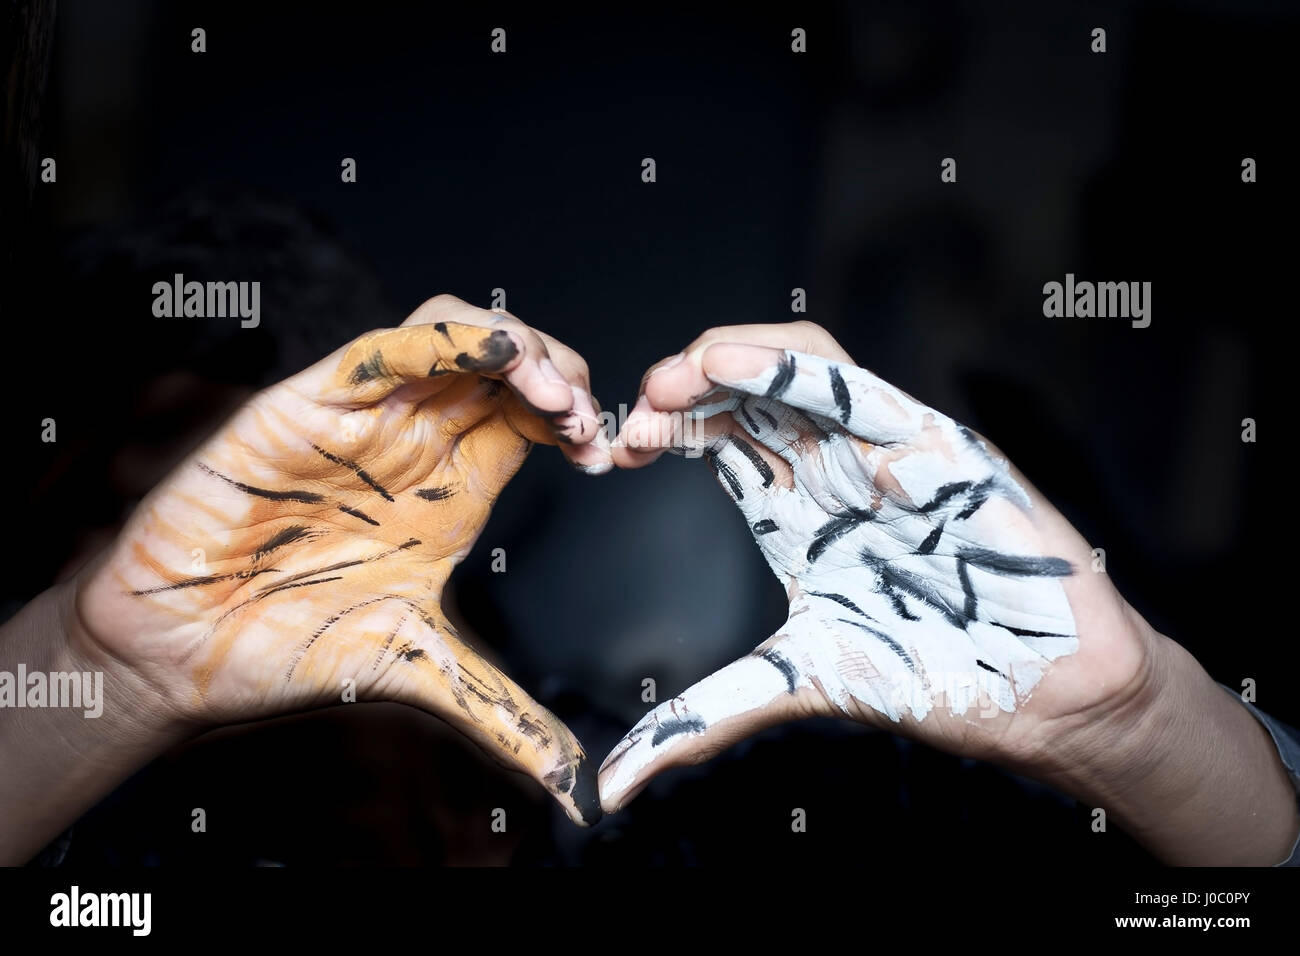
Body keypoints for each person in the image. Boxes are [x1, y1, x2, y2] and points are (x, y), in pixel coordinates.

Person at [1, 301, 1296, 866]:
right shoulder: (93, 856)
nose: (267, 544)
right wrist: (89, 679)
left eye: (320, 467)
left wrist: (1142, 730)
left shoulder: (770, 811)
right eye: (153, 495)